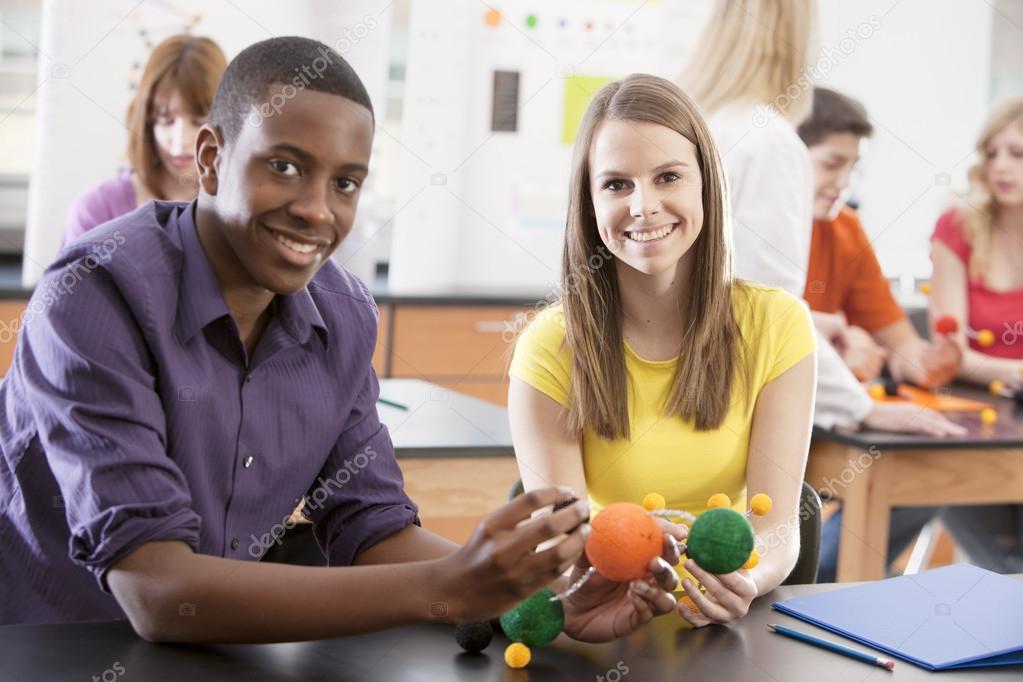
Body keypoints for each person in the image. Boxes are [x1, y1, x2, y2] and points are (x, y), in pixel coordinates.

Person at [1, 37, 683, 641]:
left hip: (208, 651)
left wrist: (548, 601)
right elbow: (158, 592)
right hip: (42, 648)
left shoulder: (341, 312)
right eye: (286, 166)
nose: (317, 210)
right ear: (210, 157)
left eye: (346, 183)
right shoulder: (94, 296)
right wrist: (447, 590)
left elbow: (369, 526)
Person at [509, 74, 818, 628]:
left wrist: (748, 578)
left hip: (724, 627)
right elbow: (562, 542)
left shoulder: (778, 324)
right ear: (589, 202)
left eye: (668, 176)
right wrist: (625, 561)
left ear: (706, 184)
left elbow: (777, 526)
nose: (644, 206)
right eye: (616, 184)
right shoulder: (549, 345)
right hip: (605, 621)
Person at [680, 0, 955, 437]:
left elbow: (718, 293)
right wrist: (859, 406)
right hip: (716, 407)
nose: (842, 184)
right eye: (830, 164)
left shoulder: (692, 126)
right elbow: (767, 312)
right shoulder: (768, 142)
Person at [797, 87, 966, 582]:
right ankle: (834, 576)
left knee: (931, 474)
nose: (843, 183)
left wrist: (928, 359)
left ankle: (839, 574)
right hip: (786, 432)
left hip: (833, 426)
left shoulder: (845, 230)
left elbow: (901, 343)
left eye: (853, 168)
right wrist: (837, 339)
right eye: (832, 164)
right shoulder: (746, 225)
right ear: (789, 156)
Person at [923, 96, 1023, 576]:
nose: (1001, 166)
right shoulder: (956, 227)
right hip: (968, 417)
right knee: (1007, 564)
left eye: (1017, 154)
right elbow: (955, 356)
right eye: (992, 153)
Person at [62, 34, 227, 245]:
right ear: (147, 121)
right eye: (166, 121)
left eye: (198, 122)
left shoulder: (241, 207)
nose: (180, 142)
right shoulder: (96, 209)